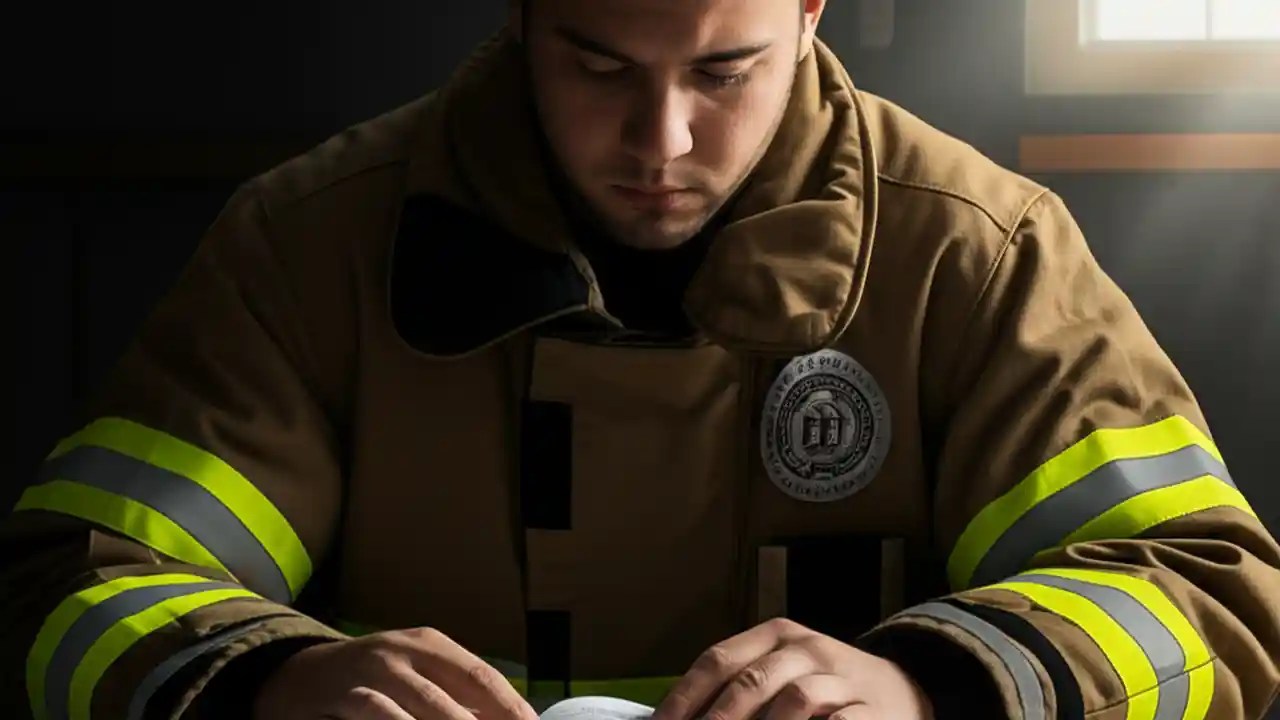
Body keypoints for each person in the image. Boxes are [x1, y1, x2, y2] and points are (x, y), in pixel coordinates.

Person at [3, 0, 1278, 718]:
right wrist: (264, 685)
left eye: (725, 70)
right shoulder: (307, 245)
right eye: (595, 63)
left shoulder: (978, 251)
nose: (659, 139)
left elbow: (1205, 592)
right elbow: (68, 585)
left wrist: (930, 684)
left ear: (809, 11)